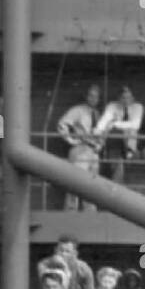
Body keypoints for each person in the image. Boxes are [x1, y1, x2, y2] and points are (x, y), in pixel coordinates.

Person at [57, 84, 104, 212]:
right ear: (86, 96)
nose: (93, 99)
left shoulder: (98, 113)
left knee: (91, 186)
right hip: (80, 150)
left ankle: (89, 216)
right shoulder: (78, 110)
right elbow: (62, 125)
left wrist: (100, 144)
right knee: (75, 184)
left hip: (93, 152)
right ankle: (70, 213)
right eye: (91, 95)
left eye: (96, 97)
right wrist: (72, 141)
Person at [96, 85, 144, 185]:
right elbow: (104, 122)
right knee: (117, 160)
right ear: (119, 98)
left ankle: (130, 152)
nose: (126, 100)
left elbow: (136, 124)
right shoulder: (112, 106)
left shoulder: (138, 107)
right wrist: (98, 130)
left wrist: (115, 124)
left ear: (133, 98)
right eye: (123, 97)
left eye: (129, 97)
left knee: (131, 129)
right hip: (116, 143)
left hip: (131, 141)